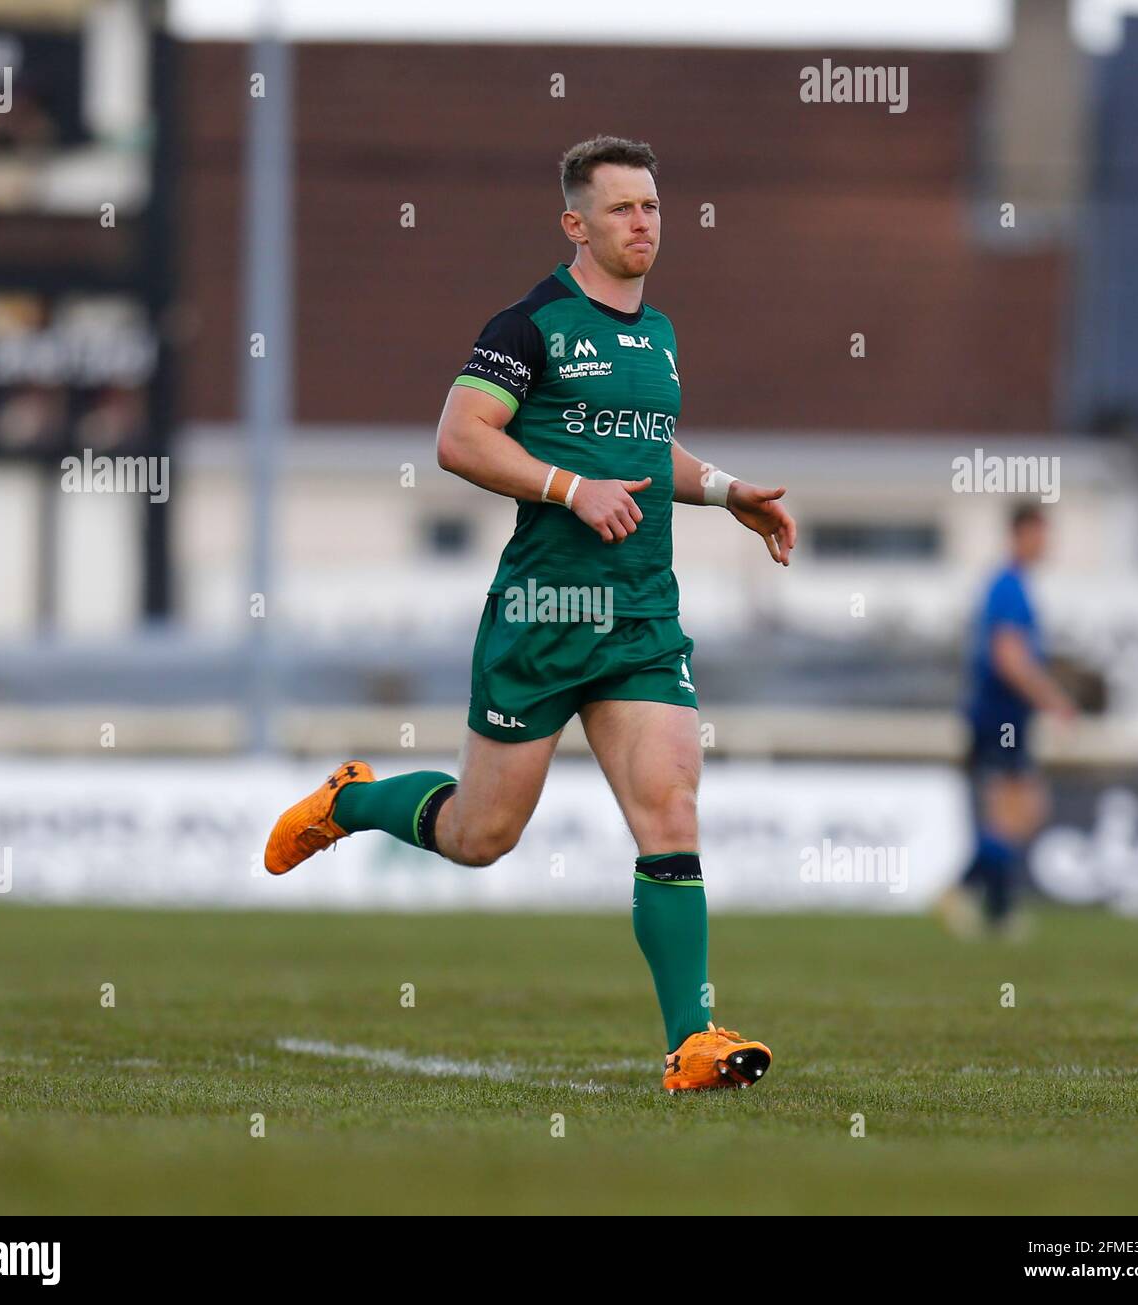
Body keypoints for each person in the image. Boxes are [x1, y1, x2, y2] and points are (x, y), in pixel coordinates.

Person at [263, 135, 797, 1091]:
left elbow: (649, 450)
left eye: (653, 206)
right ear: (576, 224)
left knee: (671, 809)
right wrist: (567, 487)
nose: (644, 223)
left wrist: (725, 491)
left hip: (638, 617)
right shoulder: (530, 325)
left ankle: (693, 1044)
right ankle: (349, 800)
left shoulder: (660, 334)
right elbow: (458, 437)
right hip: (545, 612)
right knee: (480, 835)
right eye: (623, 208)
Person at [943, 503, 1075, 936]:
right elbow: (1008, 658)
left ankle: (979, 898)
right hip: (1000, 715)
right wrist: (1053, 699)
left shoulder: (1010, 584)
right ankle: (980, 901)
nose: (1046, 544)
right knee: (1011, 812)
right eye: (1040, 534)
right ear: (1021, 534)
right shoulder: (1009, 586)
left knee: (1020, 811)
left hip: (1003, 715)